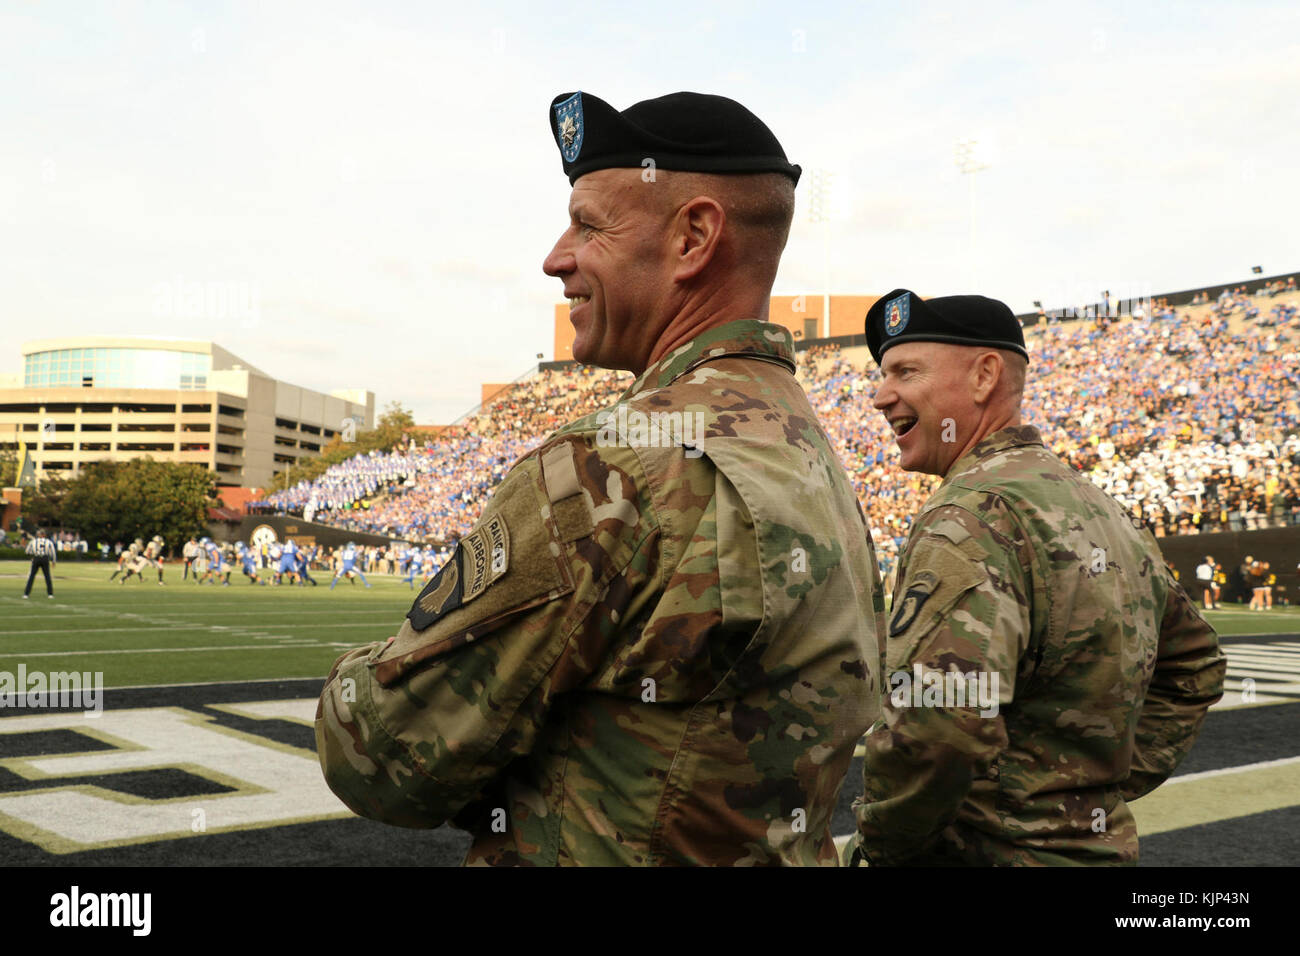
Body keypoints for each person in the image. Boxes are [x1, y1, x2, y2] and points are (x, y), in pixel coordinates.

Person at [316, 90, 885, 866]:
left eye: (590, 224)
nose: (557, 256)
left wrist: (355, 676)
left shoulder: (616, 461)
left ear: (693, 238)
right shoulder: (811, 453)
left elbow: (382, 758)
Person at [847, 288, 1226, 866]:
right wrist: (1085, 792)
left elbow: (937, 724)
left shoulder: (971, 514)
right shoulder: (1101, 507)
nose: (881, 396)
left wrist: (878, 852)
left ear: (984, 376)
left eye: (905, 371)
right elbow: (1194, 668)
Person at [23, 527, 57, 599]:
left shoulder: (33, 541)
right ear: (44, 534)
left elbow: (27, 551)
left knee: (31, 577)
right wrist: (53, 561)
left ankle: (26, 594)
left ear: (39, 534)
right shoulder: (49, 542)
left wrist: (32, 556)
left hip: (36, 558)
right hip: (45, 558)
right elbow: (53, 552)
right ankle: (50, 594)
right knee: (47, 577)